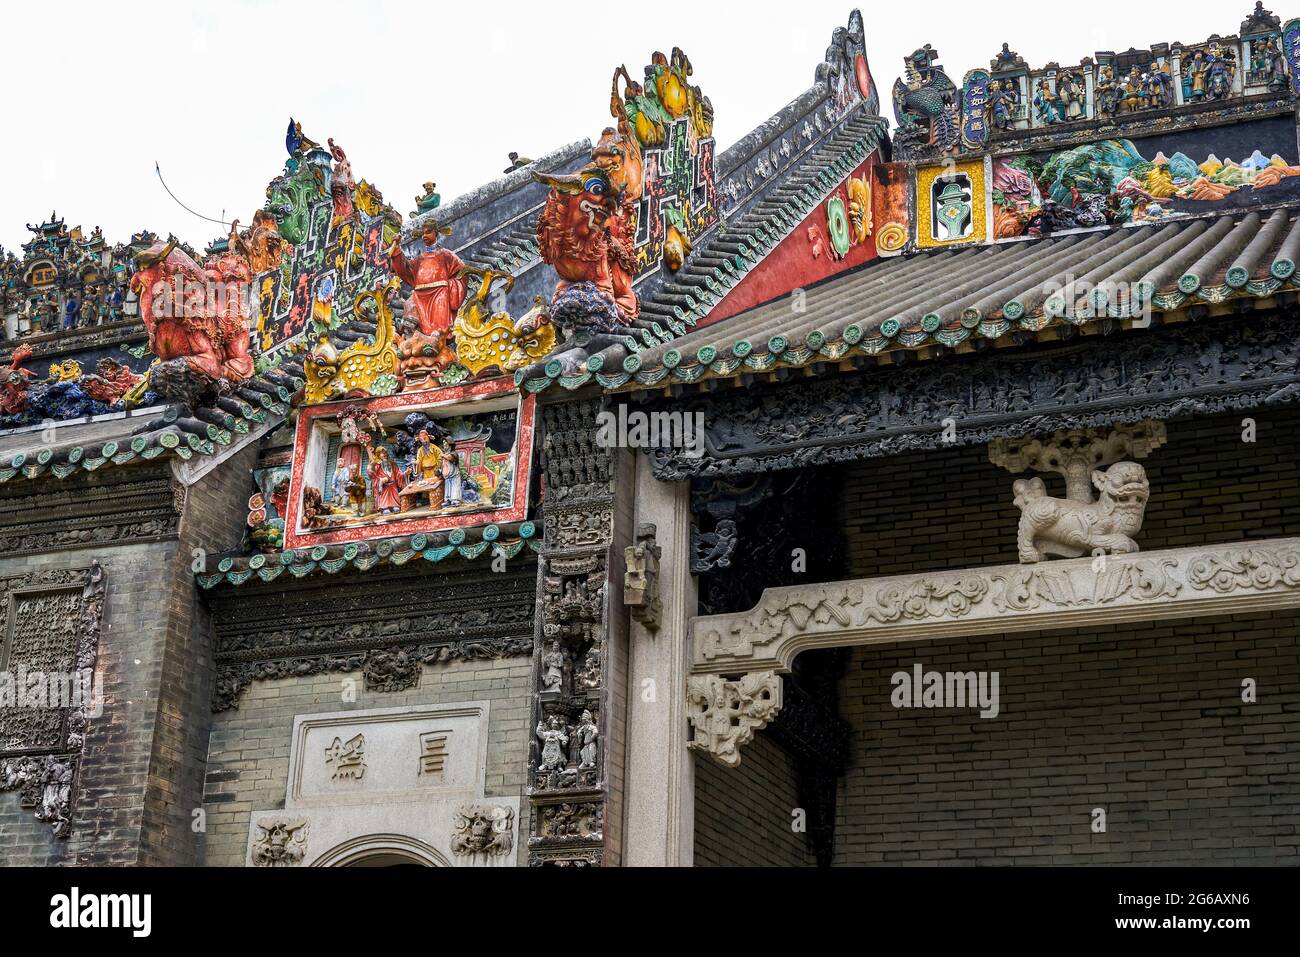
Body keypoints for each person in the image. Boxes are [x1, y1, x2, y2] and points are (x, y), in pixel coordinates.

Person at [368, 446, 405, 514]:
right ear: (378, 455)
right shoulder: (377, 465)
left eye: (385, 453)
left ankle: (395, 505)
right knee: (384, 496)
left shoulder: (392, 463)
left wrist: (404, 474)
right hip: (384, 487)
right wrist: (381, 480)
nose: (384, 455)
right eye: (382, 453)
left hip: (393, 486)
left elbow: (398, 472)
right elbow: (372, 475)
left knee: (395, 498)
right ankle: (385, 507)